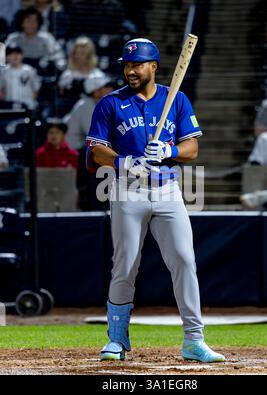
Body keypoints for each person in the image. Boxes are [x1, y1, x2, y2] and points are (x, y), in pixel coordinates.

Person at [86, 38, 225, 363]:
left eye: (137, 65)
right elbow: (96, 150)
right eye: (127, 65)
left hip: (167, 192)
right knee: (125, 266)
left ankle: (194, 340)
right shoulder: (110, 103)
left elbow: (191, 149)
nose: (130, 70)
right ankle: (117, 341)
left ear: (153, 66)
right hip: (126, 191)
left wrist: (169, 151)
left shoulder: (175, 99)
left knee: (185, 261)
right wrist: (126, 161)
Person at [5, 6, 66, 71]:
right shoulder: (13, 38)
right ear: (22, 23)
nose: (31, 24)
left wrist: (59, 66)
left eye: (34, 21)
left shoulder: (46, 38)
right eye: (28, 21)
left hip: (41, 70)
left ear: (39, 23)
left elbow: (58, 55)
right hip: (18, 71)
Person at [64, 74, 113, 150]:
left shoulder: (98, 104)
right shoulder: (86, 105)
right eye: (106, 87)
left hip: (85, 145)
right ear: (95, 92)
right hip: (74, 149)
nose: (110, 89)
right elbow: (94, 135)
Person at [0, 45, 41, 109]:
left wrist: (31, 102)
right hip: (9, 104)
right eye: (11, 54)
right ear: (6, 57)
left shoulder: (29, 70)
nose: (15, 56)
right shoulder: (3, 71)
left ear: (22, 55)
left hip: (27, 104)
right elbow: (1, 89)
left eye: (17, 54)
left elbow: (36, 89)